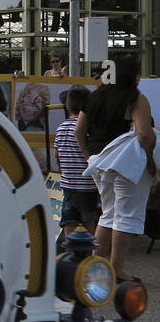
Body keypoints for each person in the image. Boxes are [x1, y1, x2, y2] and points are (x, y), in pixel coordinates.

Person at [78, 57, 155, 277]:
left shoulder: (93, 97)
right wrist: (151, 161)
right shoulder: (136, 98)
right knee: (127, 216)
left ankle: (96, 266)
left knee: (108, 213)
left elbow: (78, 131)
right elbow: (144, 134)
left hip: (99, 163)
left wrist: (89, 157)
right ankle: (116, 270)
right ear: (132, 77)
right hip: (126, 163)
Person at [53, 86, 97, 241]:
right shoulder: (87, 128)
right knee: (88, 220)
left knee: (69, 219)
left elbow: (56, 154)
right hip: (87, 184)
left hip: (68, 184)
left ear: (68, 105)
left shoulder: (61, 128)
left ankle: (71, 251)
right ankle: (88, 253)